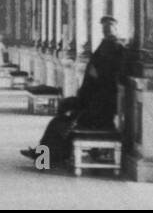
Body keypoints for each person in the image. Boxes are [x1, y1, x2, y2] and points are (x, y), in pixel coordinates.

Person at [21, 16, 126, 168]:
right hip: (91, 101)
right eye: (104, 28)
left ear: (116, 29)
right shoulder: (106, 45)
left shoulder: (117, 48)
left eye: (109, 28)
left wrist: (96, 77)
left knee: (60, 125)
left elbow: (113, 75)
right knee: (57, 123)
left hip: (100, 110)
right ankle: (43, 155)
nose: (106, 31)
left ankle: (46, 157)